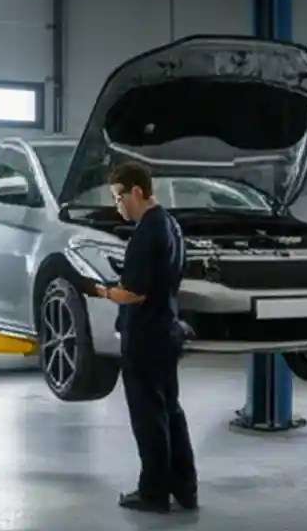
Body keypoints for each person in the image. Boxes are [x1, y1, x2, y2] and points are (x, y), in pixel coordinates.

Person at [93, 161, 198, 514]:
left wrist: (103, 291)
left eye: (119, 197)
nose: (117, 205)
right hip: (167, 330)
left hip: (144, 336)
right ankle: (185, 488)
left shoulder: (146, 232)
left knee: (148, 416)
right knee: (171, 411)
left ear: (137, 191)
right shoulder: (170, 225)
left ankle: (153, 493)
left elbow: (134, 292)